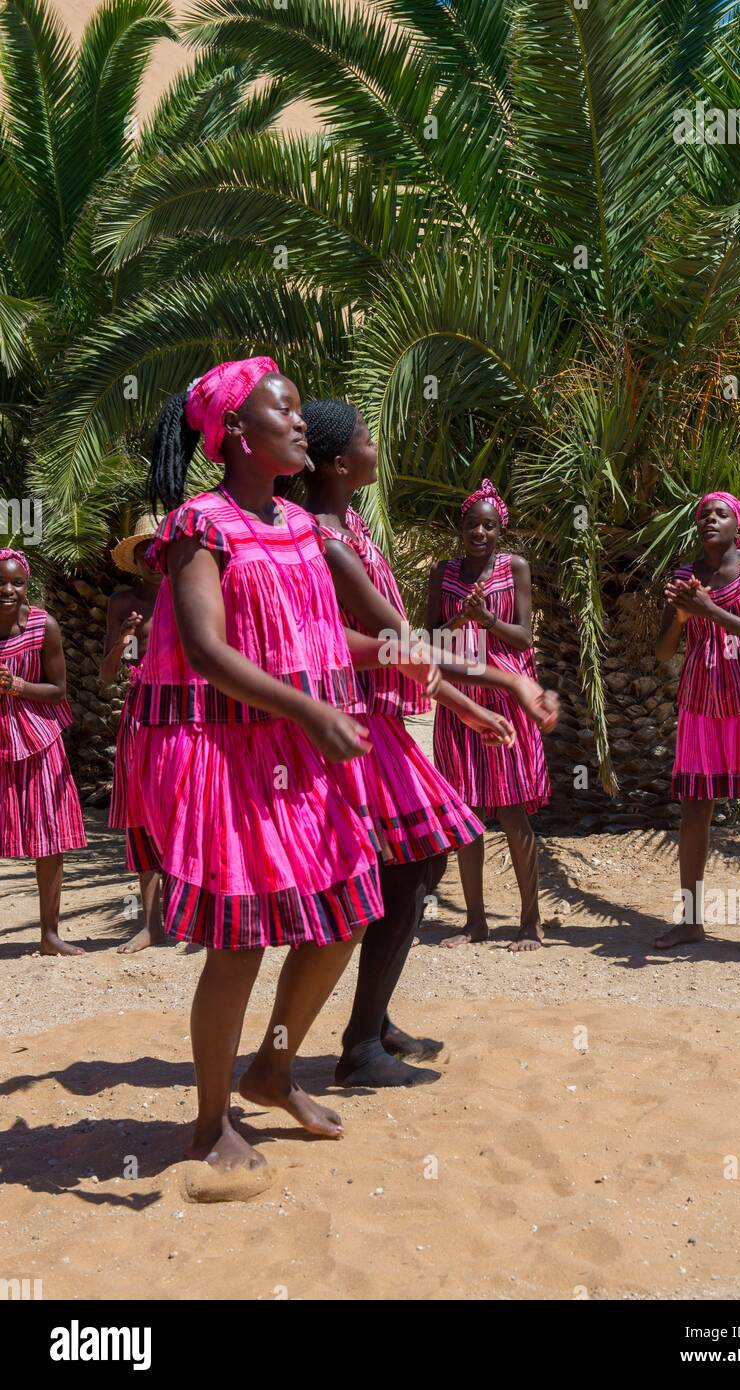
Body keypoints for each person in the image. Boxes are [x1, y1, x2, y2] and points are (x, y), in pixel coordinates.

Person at [132, 357, 438, 1179]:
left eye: (302, 412)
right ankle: (207, 1124)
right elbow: (205, 649)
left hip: (297, 752)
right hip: (227, 751)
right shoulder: (200, 526)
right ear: (236, 433)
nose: (302, 423)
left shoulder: (302, 528)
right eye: (285, 410)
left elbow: (321, 642)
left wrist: (398, 656)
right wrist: (308, 709)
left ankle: (273, 1068)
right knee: (239, 942)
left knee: (341, 916)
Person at [301, 398, 519, 1086]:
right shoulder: (321, 538)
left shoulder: (349, 525)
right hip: (355, 724)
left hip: (382, 721)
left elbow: (403, 649)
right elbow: (393, 642)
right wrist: (494, 689)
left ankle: (373, 1018)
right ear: (340, 464)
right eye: (366, 437)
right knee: (413, 862)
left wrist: (466, 705)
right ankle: (360, 1043)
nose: (375, 443)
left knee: (419, 866)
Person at [656, 492, 740, 953]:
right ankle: (691, 920)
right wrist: (681, 615)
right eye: (703, 515)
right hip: (701, 703)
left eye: (721, 514)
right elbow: (662, 651)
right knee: (695, 809)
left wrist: (711, 611)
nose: (710, 519)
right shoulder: (684, 576)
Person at [427, 480, 552, 951]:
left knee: (514, 811)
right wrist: (461, 619)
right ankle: (475, 921)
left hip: (507, 700)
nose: (480, 532)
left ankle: (529, 922)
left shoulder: (514, 567)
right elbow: (429, 639)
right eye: (472, 524)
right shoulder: (443, 573)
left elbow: (522, 638)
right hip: (462, 700)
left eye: (489, 525)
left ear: (501, 530)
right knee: (467, 812)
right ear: (461, 528)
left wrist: (487, 622)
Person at [0, 548, 88, 955]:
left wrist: (15, 686)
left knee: (48, 838)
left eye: (17, 582)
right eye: (1, 582)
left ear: (27, 585)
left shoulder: (43, 625)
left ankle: (50, 935)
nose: (8, 589)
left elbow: (59, 691)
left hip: (38, 741)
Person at [100, 514, 165, 952]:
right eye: (144, 552)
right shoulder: (124, 603)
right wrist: (123, 642)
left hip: (192, 712)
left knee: (194, 812)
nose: (152, 559)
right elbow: (106, 677)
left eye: (158, 550)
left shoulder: (195, 596)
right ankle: (151, 925)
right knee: (144, 817)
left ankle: (199, 919)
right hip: (144, 716)